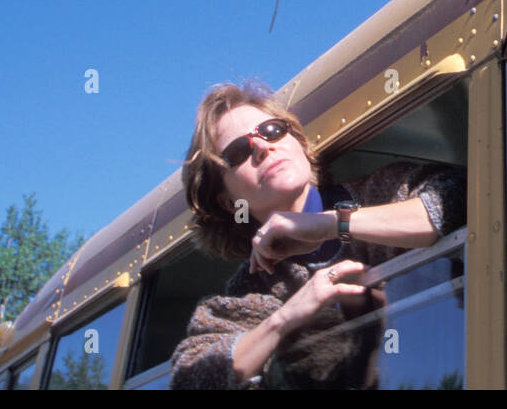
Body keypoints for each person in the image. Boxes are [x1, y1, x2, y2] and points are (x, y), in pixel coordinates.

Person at [170, 82, 466, 389]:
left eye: (272, 130)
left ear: (301, 145)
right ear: (231, 202)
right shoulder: (254, 286)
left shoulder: (383, 190)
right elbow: (191, 378)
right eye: (238, 151)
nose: (262, 147)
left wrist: (330, 224)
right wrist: (290, 314)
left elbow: (461, 196)